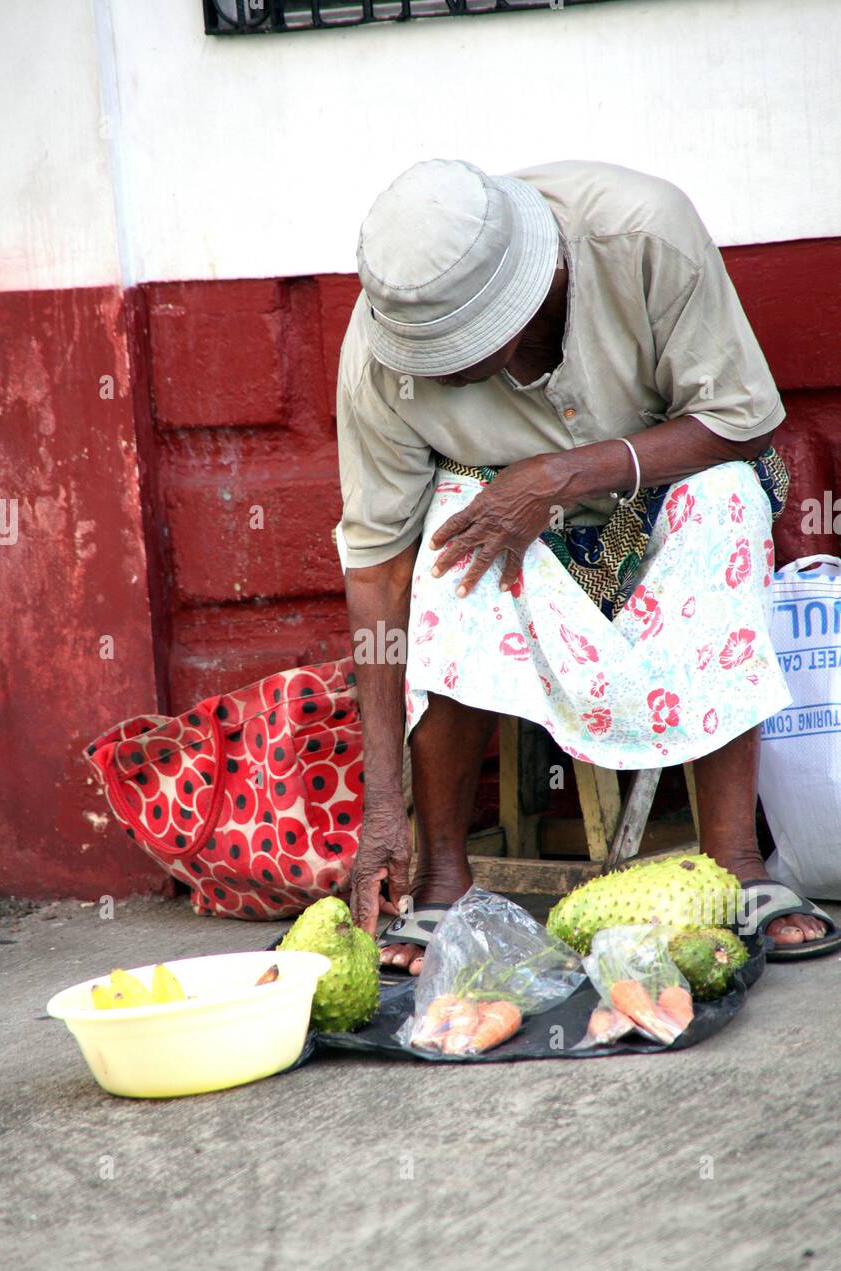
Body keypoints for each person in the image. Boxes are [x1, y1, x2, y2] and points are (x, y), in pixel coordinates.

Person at [335, 158, 839, 972]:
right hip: (515, 546)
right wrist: (380, 808)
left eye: (456, 350)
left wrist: (565, 474)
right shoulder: (381, 354)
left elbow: (744, 418)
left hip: (662, 497)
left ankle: (735, 865)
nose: (432, 370)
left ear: (527, 296)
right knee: (442, 530)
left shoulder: (643, 233)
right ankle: (442, 884)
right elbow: (379, 569)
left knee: (728, 499)